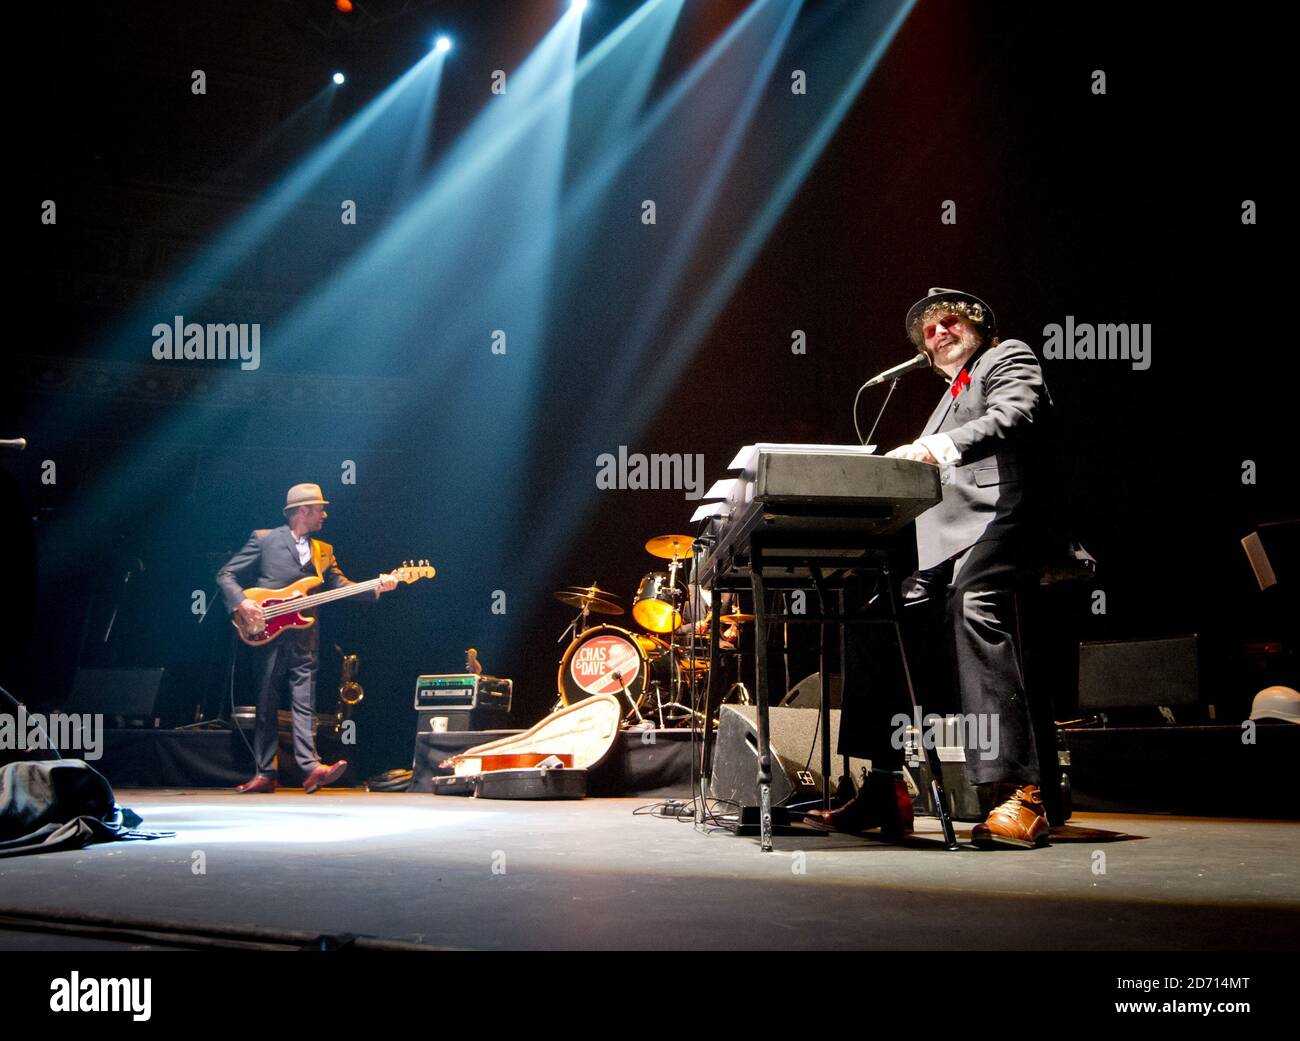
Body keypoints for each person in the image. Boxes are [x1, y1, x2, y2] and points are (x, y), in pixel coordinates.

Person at [810, 288, 1056, 848]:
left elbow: (1016, 415)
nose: (939, 332)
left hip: (1007, 520)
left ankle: (1019, 794)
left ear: (977, 327)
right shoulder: (944, 398)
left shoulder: (1005, 356)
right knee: (876, 623)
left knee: (975, 604)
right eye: (929, 330)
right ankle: (885, 784)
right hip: (948, 542)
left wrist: (934, 448)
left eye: (950, 321)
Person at [216, 483, 396, 794]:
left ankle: (311, 768)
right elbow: (225, 575)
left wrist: (377, 586)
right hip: (268, 630)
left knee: (304, 704)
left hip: (306, 636)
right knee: (266, 702)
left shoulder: (323, 550)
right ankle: (265, 773)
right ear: (303, 511)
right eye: (320, 509)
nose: (324, 515)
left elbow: (341, 585)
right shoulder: (264, 539)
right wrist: (243, 603)